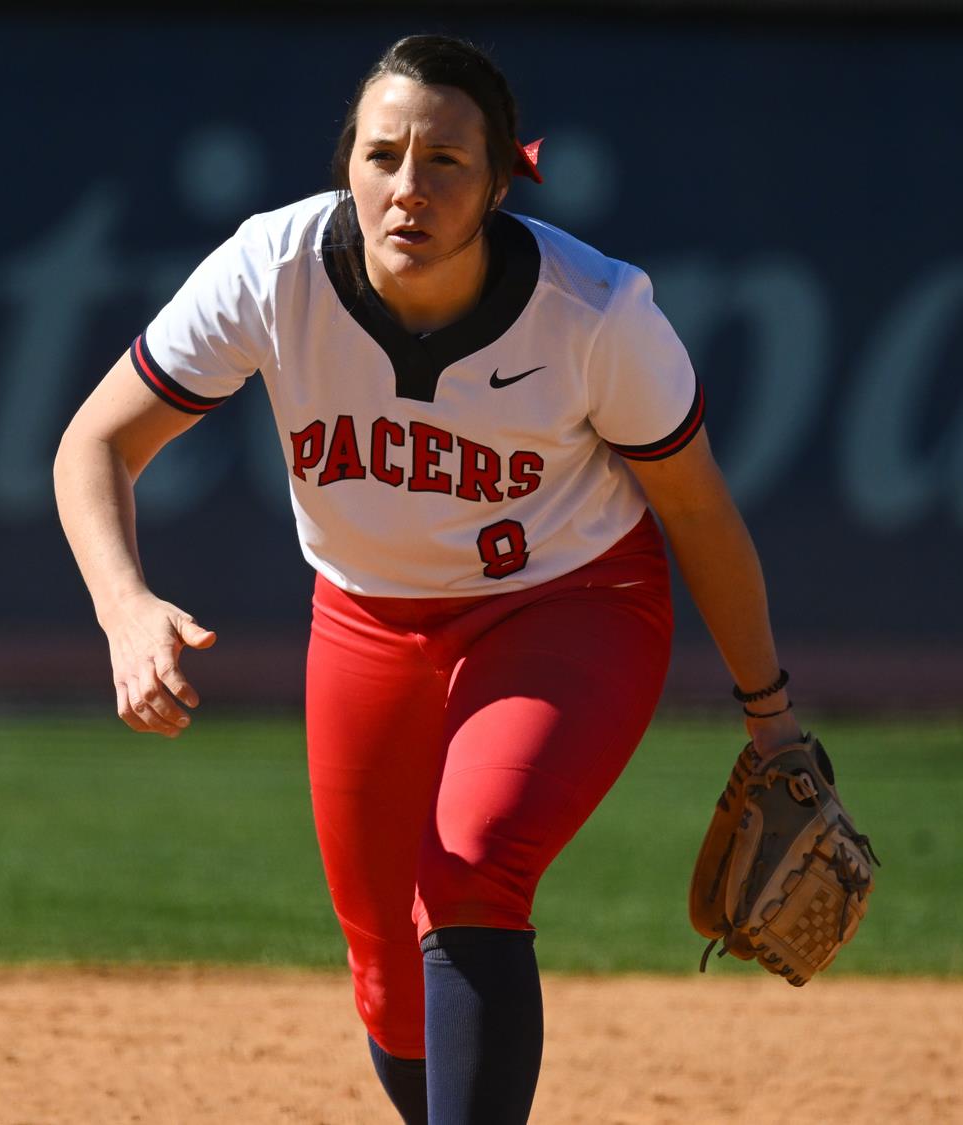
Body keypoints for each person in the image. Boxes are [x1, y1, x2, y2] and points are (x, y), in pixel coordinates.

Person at [53, 33, 803, 1124]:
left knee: (467, 872)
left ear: (500, 180)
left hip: (569, 605)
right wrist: (125, 609)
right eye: (381, 154)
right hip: (365, 619)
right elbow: (95, 445)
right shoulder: (273, 272)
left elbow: (694, 509)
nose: (408, 187)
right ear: (345, 165)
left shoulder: (593, 315)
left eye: (445, 161)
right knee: (385, 977)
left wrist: (769, 717)